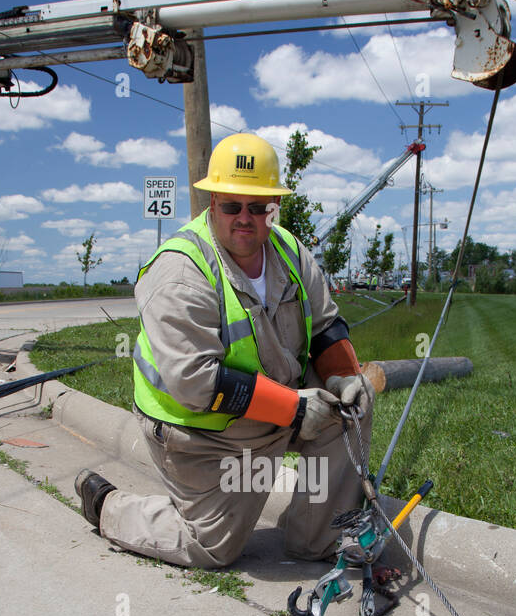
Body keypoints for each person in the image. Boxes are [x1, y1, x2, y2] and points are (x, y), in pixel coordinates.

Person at [75, 132, 372, 568]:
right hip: (203, 433)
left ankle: (316, 540)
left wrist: (344, 375)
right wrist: (292, 410)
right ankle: (109, 507)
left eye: (259, 207)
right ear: (212, 203)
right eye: (232, 206)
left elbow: (326, 325)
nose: (245, 218)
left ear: (275, 206)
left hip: (278, 403)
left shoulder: (289, 251)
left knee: (352, 404)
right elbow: (196, 384)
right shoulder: (180, 272)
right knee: (212, 548)